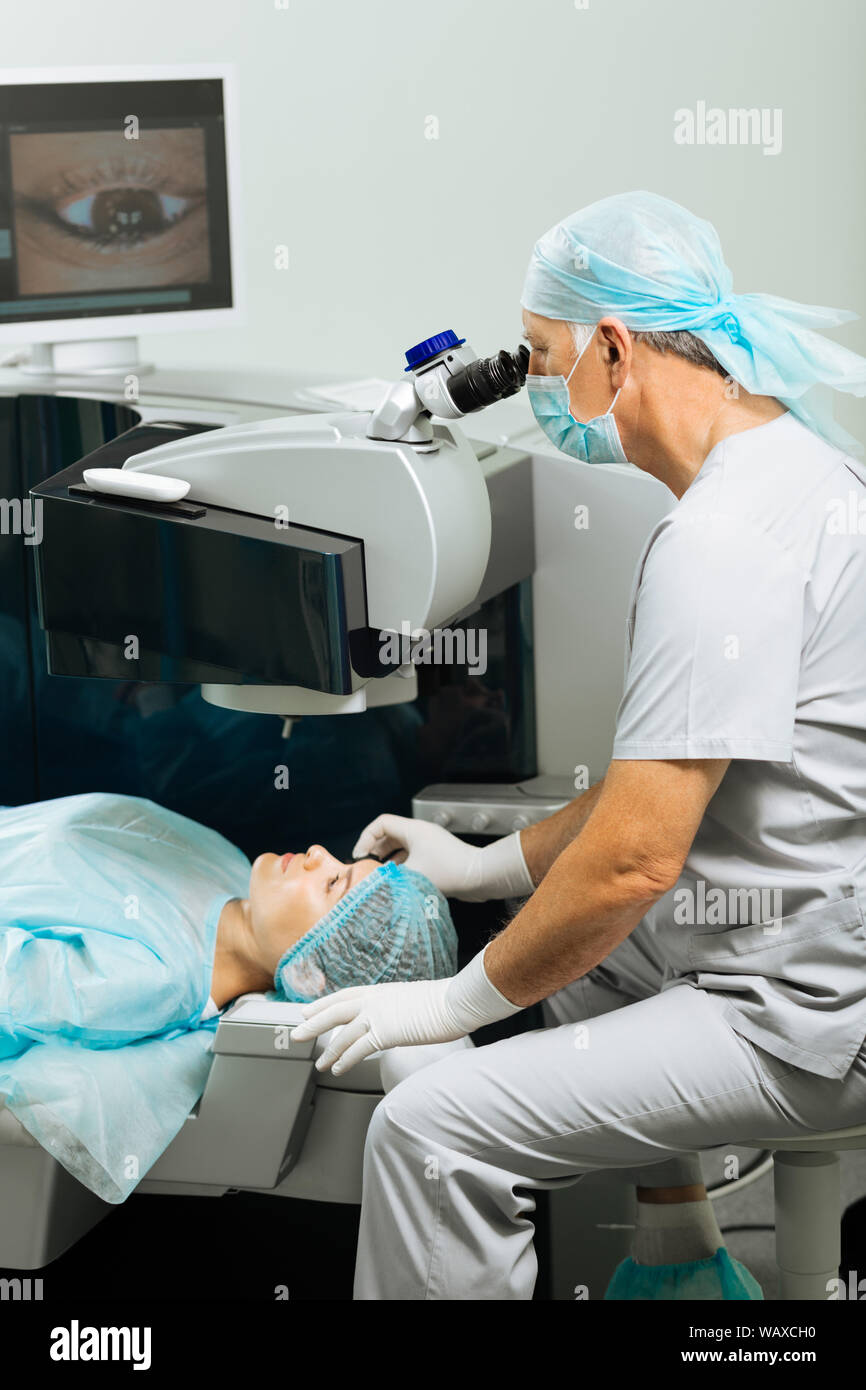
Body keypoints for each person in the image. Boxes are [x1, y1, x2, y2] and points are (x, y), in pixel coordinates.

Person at [292, 190, 866, 1301]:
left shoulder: (717, 544)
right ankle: (678, 1258)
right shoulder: (791, 468)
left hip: (802, 1014)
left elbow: (636, 858)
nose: (538, 389)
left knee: (428, 1132)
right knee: (591, 949)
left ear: (613, 345)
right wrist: (486, 867)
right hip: (808, 933)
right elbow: (664, 785)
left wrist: (449, 1005)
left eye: (543, 361)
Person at [0, 791, 456, 1202]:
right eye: (340, 863)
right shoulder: (229, 865)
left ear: (312, 971)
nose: (318, 853)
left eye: (332, 883)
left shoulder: (152, 982)